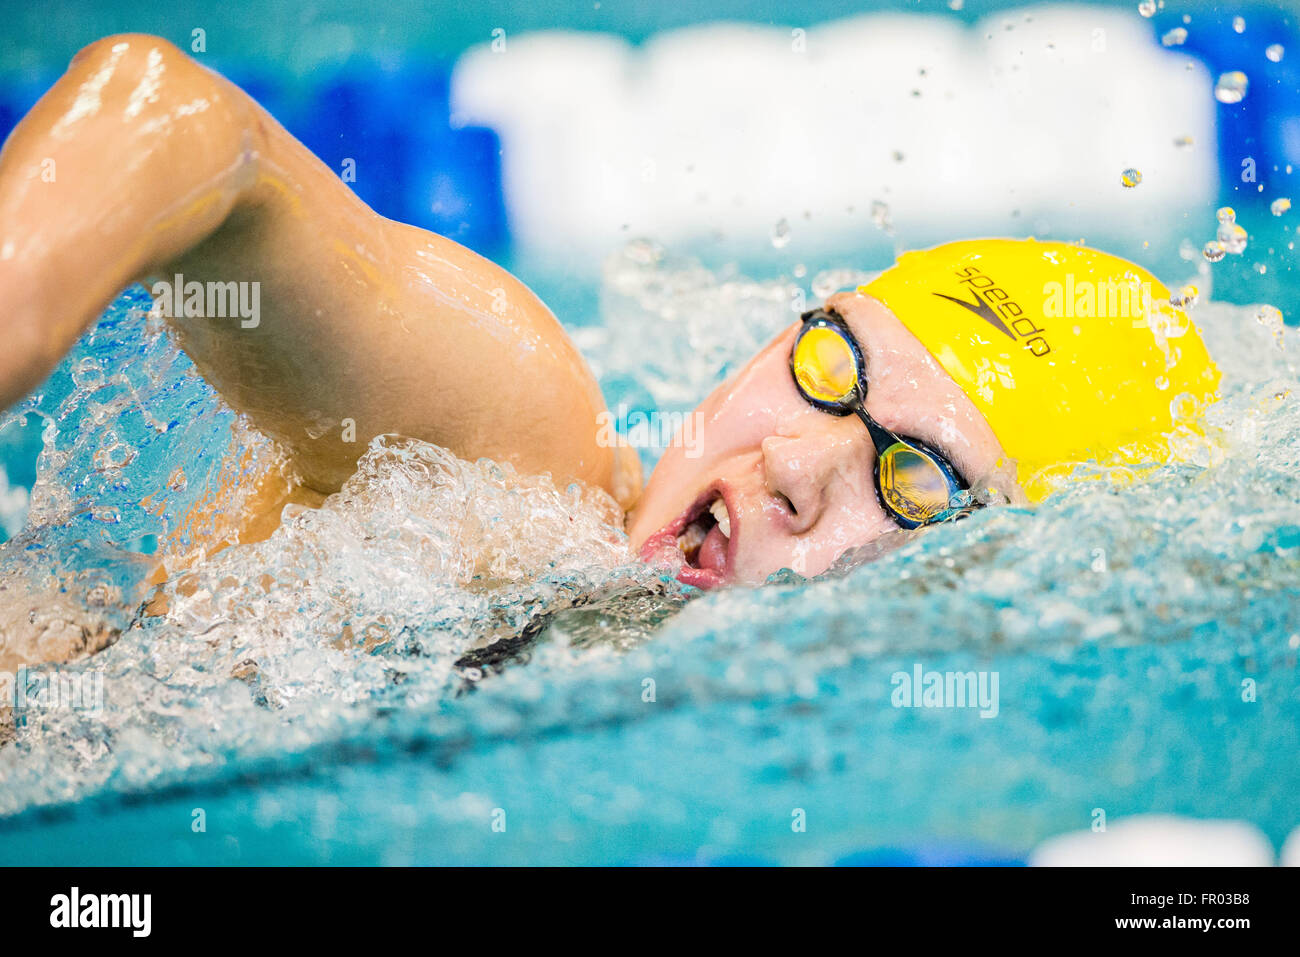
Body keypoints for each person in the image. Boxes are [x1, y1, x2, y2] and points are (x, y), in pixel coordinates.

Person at [0, 35, 1219, 668]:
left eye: (917, 477)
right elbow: (177, 118)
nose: (795, 463)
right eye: (828, 366)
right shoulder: (511, 457)